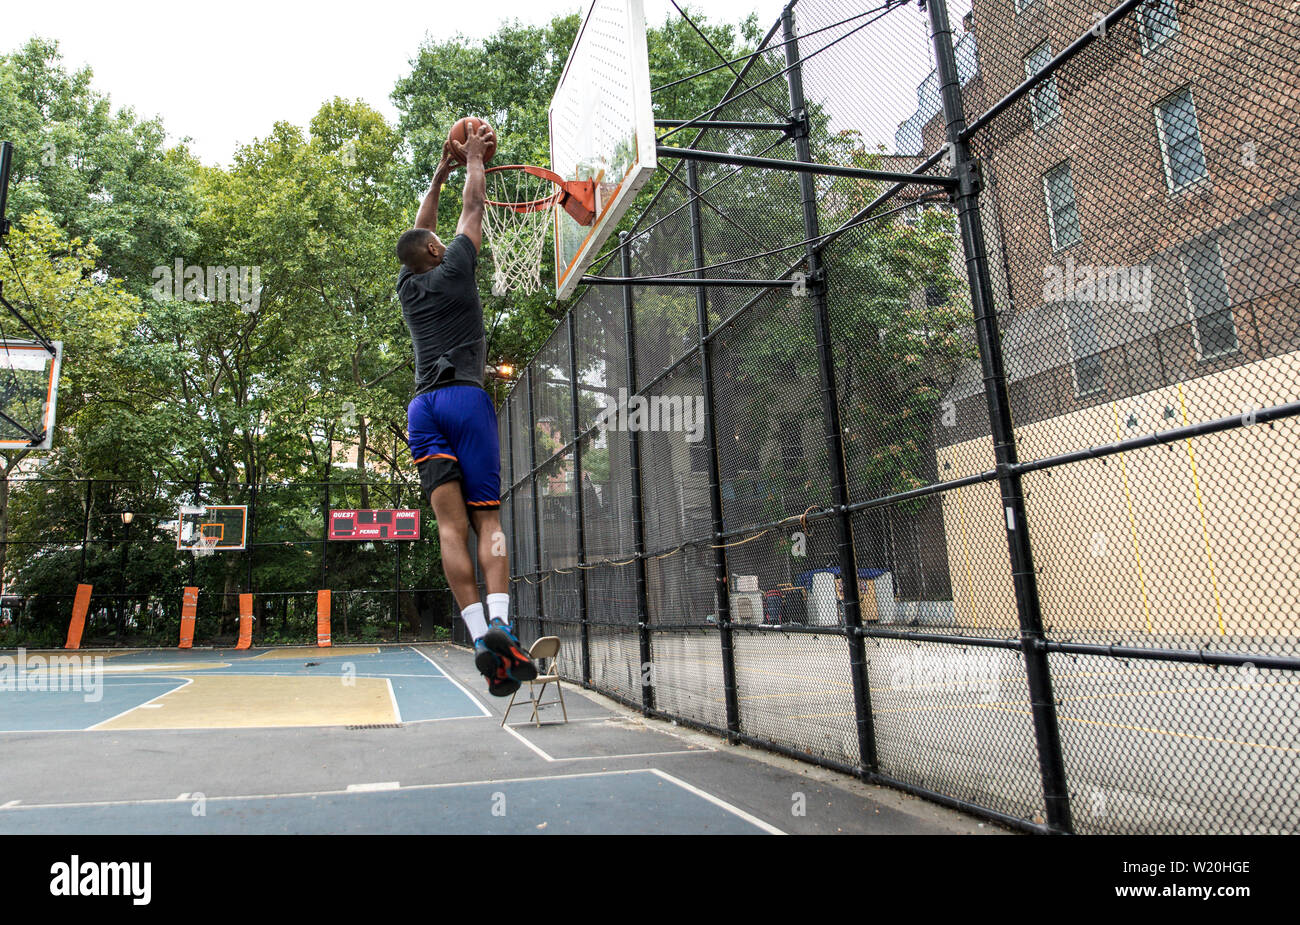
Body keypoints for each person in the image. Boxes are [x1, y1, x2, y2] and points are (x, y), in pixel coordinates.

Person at [394, 123, 534, 696]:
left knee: (450, 526)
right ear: (435, 253)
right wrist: (471, 160)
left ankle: (479, 638)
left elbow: (420, 229)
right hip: (466, 400)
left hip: (422, 410)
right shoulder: (453, 269)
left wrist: (438, 173)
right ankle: (501, 619)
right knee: (489, 521)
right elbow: (473, 207)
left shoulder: (408, 285)